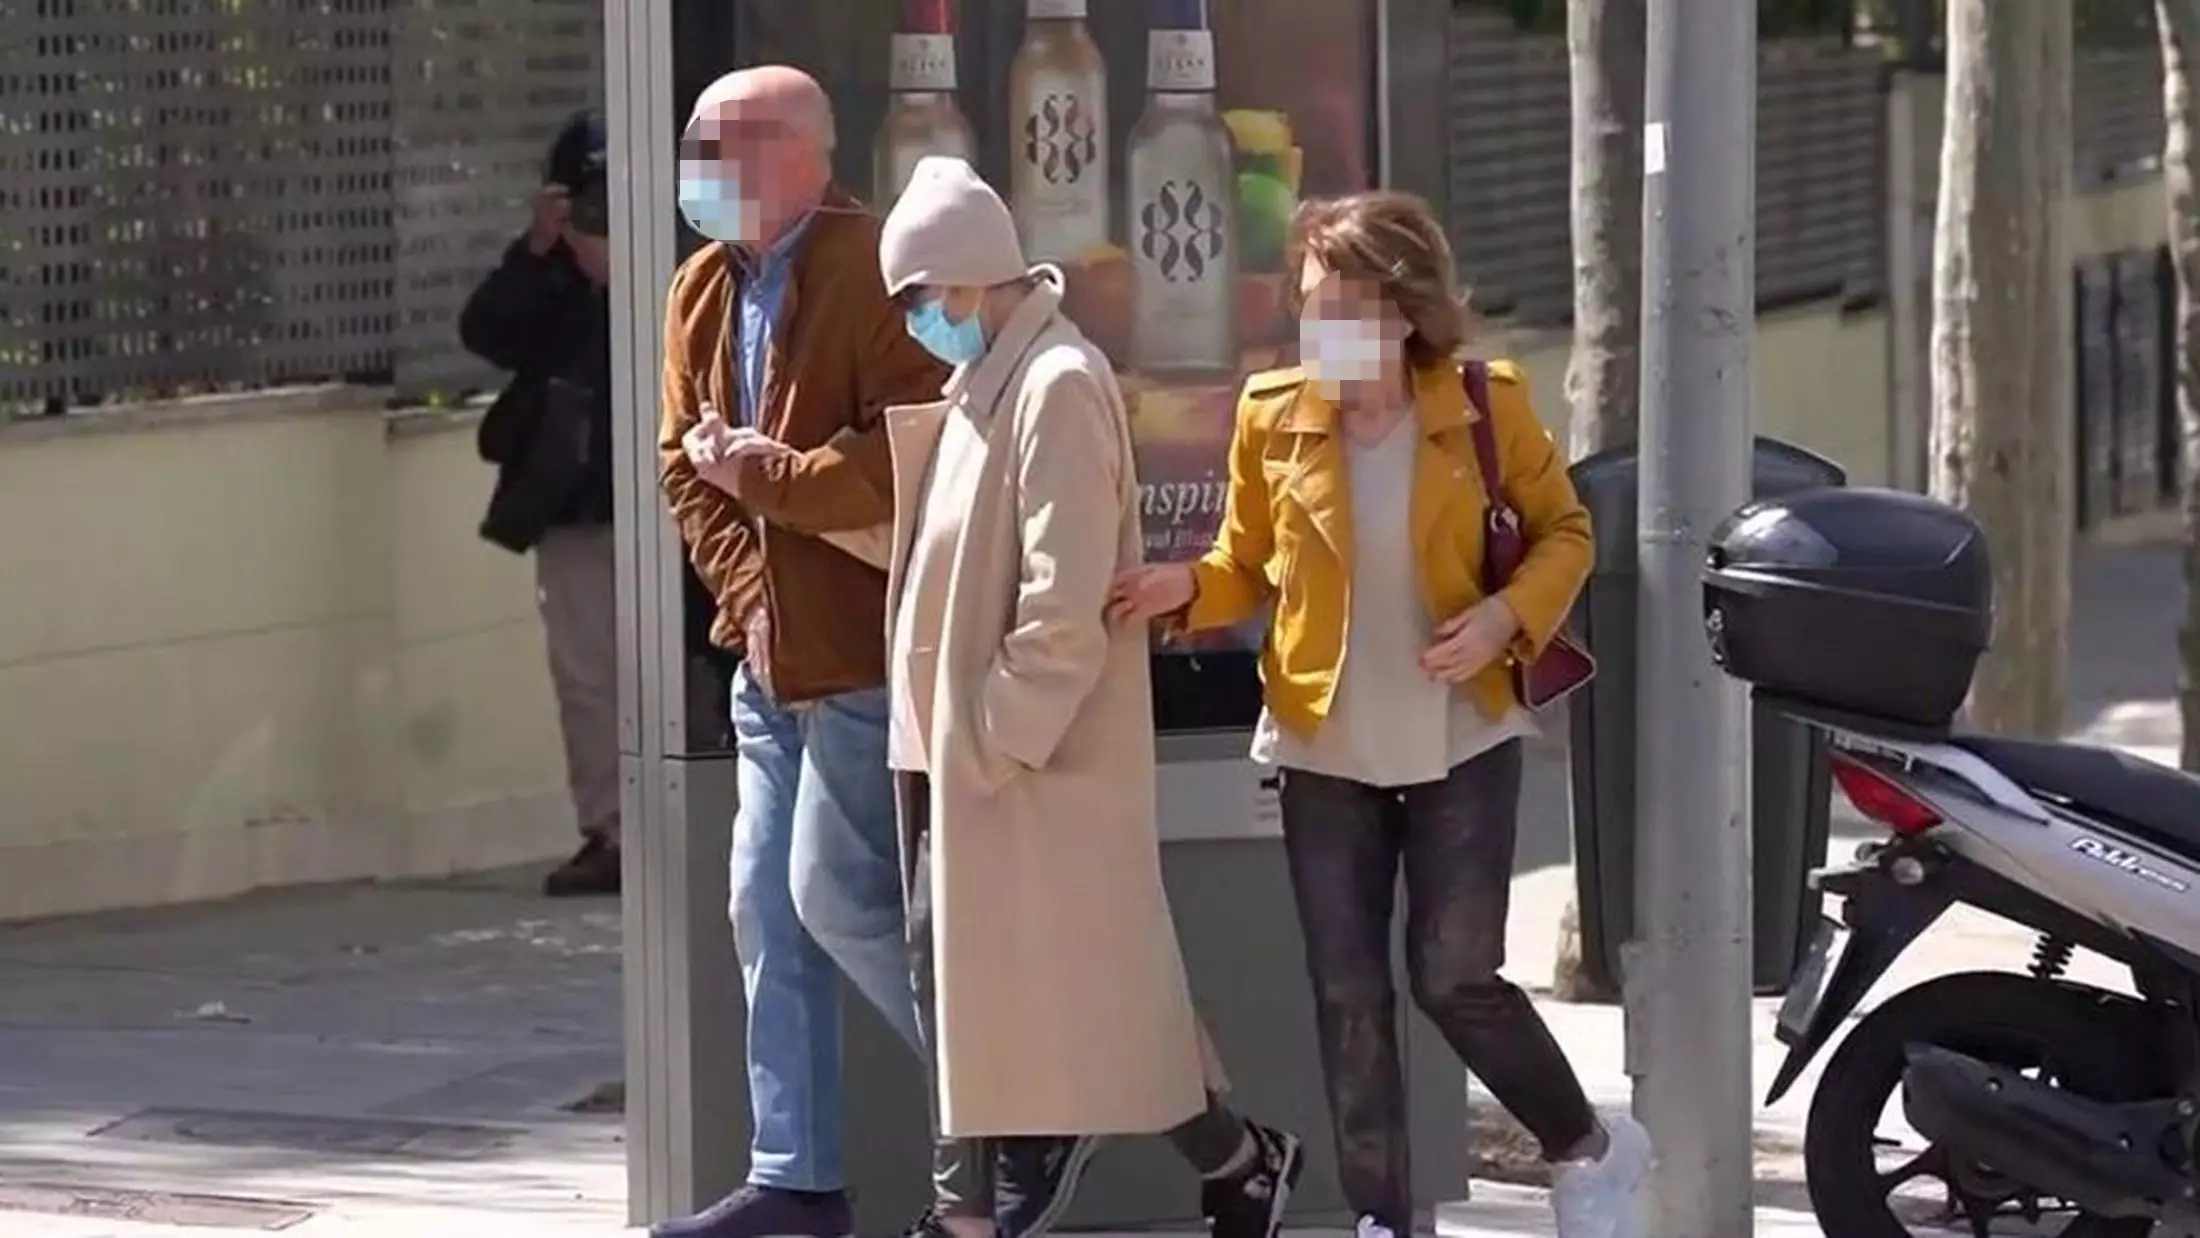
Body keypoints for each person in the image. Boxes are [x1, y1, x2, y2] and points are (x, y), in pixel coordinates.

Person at [1108, 190, 1653, 1238]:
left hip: (1461, 735)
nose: (1321, 328)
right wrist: (1183, 589)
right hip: (1325, 740)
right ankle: (1383, 1217)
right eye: (1311, 304)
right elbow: (1246, 562)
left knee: (1453, 976)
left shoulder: (1484, 405)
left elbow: (1565, 534)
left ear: (1402, 310)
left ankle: (1586, 1145)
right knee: (1348, 993)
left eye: (1344, 305)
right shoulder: (1275, 415)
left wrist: (1502, 617)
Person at [653, 72, 1092, 1238]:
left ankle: (1020, 1100)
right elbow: (678, 464)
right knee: (765, 903)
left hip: (864, 647)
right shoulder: (702, 289)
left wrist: (768, 480)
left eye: (715, 145)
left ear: (795, 152)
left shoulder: (867, 270)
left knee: (839, 896)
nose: (693, 167)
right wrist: (747, 591)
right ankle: (796, 1174)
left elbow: (908, 458)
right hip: (768, 658)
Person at [870, 155, 1305, 1238]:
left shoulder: (1055, 385)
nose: (917, 319)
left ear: (970, 277)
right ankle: (1235, 1159)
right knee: (1044, 993)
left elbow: (1063, 603)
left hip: (1015, 760)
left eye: (921, 296)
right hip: (967, 753)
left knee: (1045, 992)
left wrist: (995, 732)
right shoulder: (992, 379)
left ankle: (964, 1216)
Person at [458, 110, 623, 898]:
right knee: (588, 674)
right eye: (587, 199)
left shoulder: (689, 264)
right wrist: (541, 250)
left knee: (695, 668)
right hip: (578, 502)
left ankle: (707, 815)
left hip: (680, 497)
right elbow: (485, 332)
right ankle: (610, 831)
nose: (602, 217)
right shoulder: (547, 275)